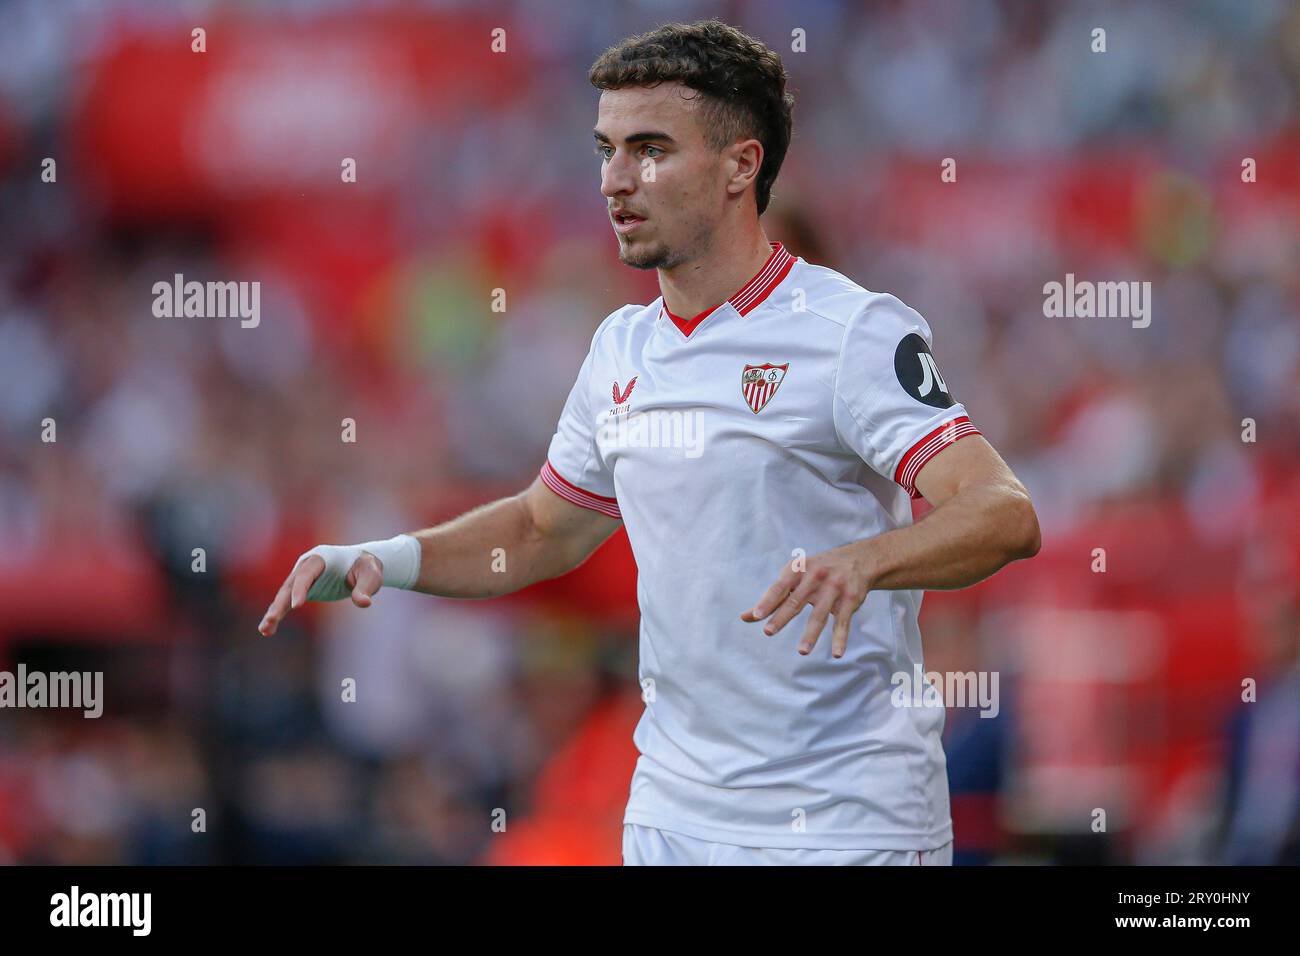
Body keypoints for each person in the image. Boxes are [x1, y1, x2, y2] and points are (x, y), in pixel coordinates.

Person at [258, 19, 1040, 866]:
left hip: (844, 818)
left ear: (741, 165)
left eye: (651, 149)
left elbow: (1003, 511)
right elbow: (537, 531)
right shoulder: (620, 349)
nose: (616, 180)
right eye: (607, 149)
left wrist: (868, 559)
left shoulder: (851, 332)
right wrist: (389, 558)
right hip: (672, 815)